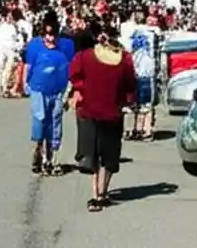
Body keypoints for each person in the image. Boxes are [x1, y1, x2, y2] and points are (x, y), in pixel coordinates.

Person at [69, 26, 136, 212]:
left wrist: (80, 90)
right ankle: (101, 193)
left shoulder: (85, 56)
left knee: (94, 155)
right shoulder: (125, 59)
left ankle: (96, 193)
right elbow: (130, 84)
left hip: (89, 110)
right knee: (109, 155)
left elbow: (74, 74)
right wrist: (128, 101)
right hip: (112, 111)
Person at [23, 16, 76, 176]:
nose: (50, 38)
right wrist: (25, 83)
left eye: (53, 35)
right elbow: (28, 65)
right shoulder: (34, 47)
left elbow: (71, 70)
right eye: (47, 35)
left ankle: (50, 159)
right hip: (38, 90)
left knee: (55, 123)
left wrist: (69, 92)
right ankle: (38, 148)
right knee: (40, 120)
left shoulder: (65, 49)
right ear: (43, 34)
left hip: (58, 91)